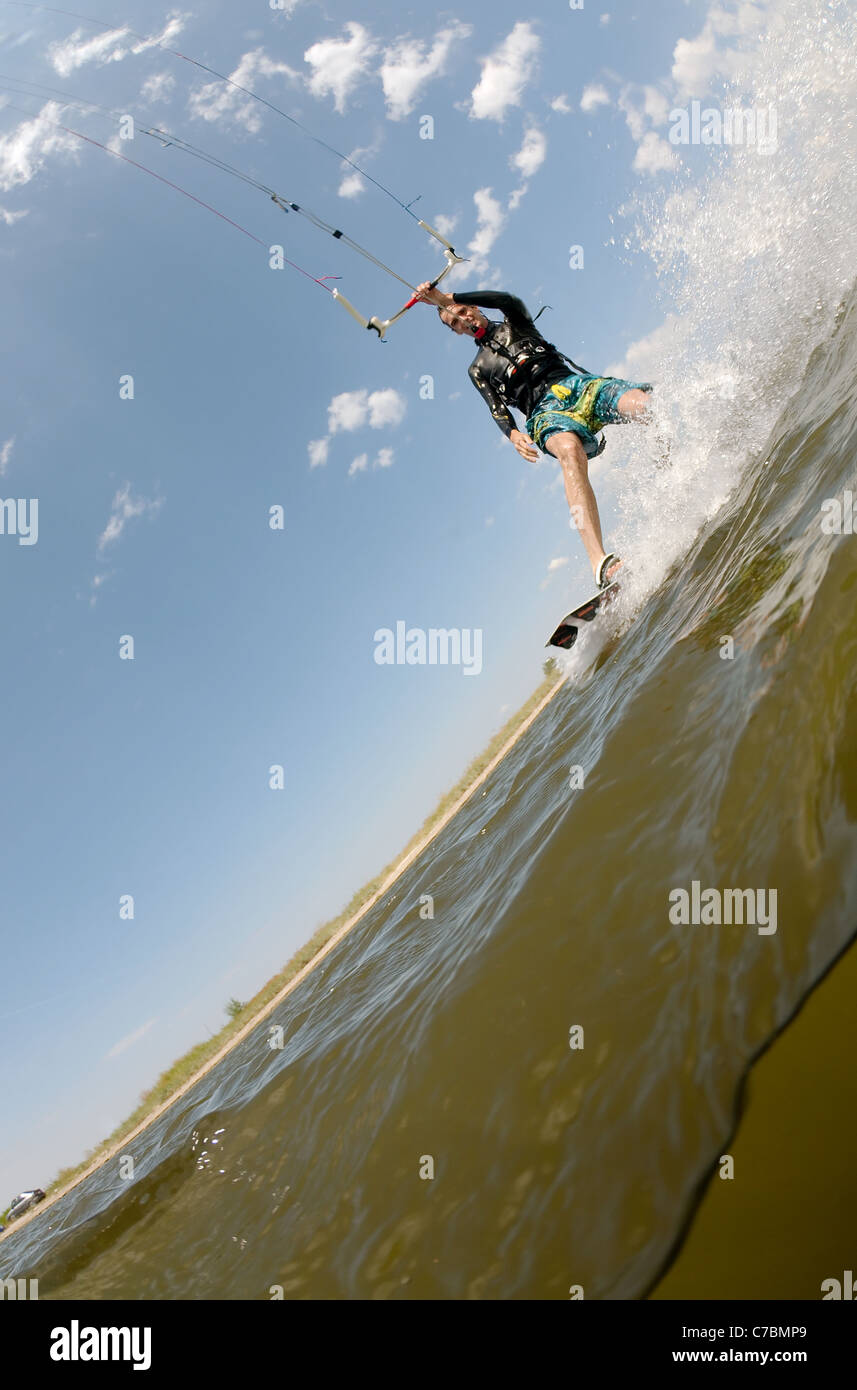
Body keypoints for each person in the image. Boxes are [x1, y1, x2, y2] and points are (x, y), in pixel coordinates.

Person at [414, 283, 653, 588]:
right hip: (544, 413)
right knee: (569, 451)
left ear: (474, 308)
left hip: (579, 387)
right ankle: (601, 564)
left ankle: (677, 461)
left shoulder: (517, 321)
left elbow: (506, 298)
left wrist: (446, 299)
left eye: (462, 312)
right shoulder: (477, 369)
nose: (463, 321)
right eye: (455, 324)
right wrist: (512, 433)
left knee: (646, 406)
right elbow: (495, 407)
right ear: (457, 332)